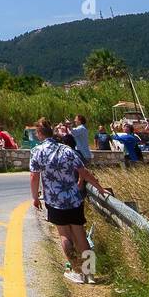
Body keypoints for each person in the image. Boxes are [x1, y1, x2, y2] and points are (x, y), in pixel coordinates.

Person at [29, 118, 111, 285]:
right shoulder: (66, 149)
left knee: (64, 235)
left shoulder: (37, 151)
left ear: (39, 134)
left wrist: (35, 198)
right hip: (74, 199)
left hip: (54, 201)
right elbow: (84, 171)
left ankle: (76, 271)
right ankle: (90, 274)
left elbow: (34, 176)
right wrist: (100, 188)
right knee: (81, 235)